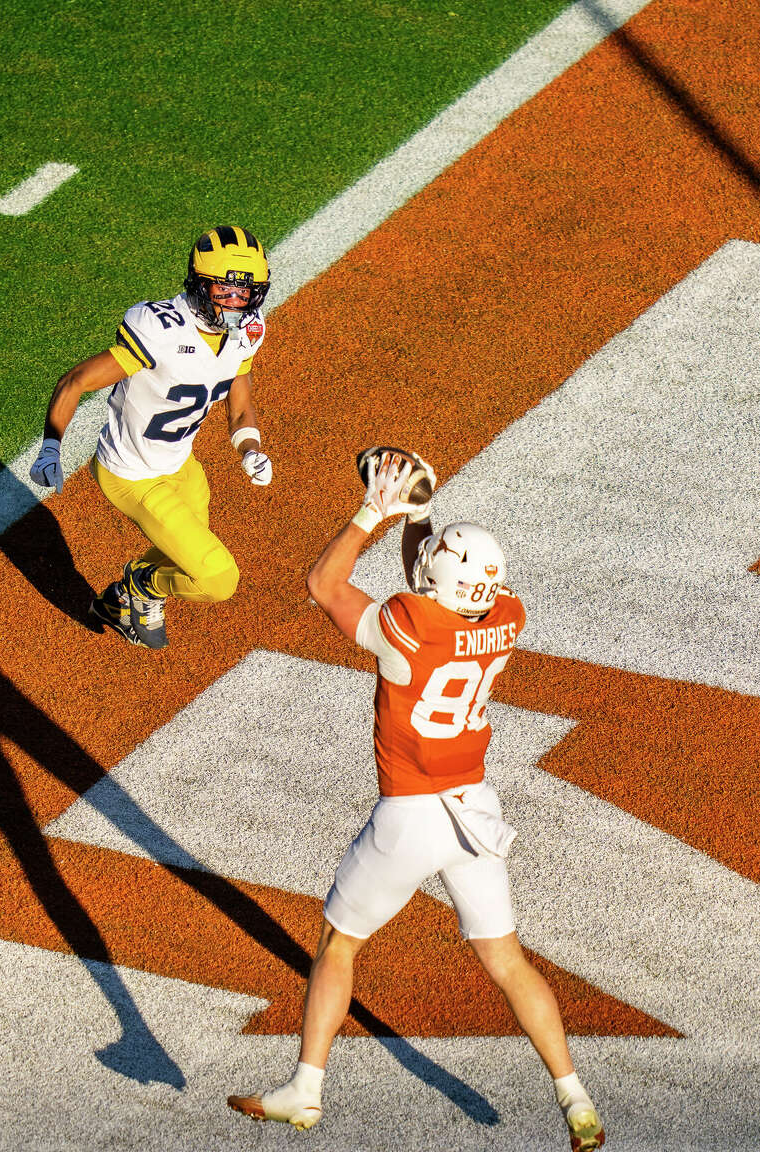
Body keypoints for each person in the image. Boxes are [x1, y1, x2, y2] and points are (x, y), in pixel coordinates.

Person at [227, 450, 605, 1151]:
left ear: (440, 579)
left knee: (340, 945)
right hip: (475, 811)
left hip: (410, 813)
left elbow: (323, 583)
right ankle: (575, 1098)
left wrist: (374, 512)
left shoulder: (408, 624)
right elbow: (432, 588)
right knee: (508, 960)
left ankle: (305, 1092)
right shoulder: (507, 615)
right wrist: (423, 518)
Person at [28, 226, 273, 648]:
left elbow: (240, 403)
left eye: (246, 293)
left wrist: (250, 448)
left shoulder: (248, 331)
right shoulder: (160, 328)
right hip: (130, 473)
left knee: (182, 551)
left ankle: (117, 600)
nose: (237, 303)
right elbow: (76, 381)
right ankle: (143, 587)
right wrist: (51, 444)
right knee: (217, 578)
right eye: (225, 291)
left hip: (182, 466)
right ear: (199, 286)